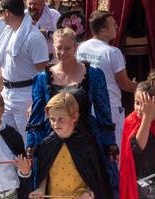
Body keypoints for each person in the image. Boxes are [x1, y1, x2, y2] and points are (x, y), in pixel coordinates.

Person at [26, 28, 117, 173]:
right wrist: (31, 143)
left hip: (86, 139)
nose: (63, 53)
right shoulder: (42, 78)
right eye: (59, 48)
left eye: (67, 48)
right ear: (53, 48)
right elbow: (36, 117)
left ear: (75, 47)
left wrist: (110, 142)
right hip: (54, 137)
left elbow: (103, 112)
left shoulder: (93, 74)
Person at [76, 10, 136, 152]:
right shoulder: (112, 52)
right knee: (114, 151)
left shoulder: (81, 47)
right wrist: (140, 86)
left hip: (88, 107)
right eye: (113, 24)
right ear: (103, 30)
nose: (117, 27)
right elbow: (125, 84)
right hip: (110, 109)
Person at [0, 0, 49, 137]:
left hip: (26, 97)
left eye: (0, 13)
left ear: (7, 13)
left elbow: (43, 74)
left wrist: (37, 102)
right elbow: (4, 66)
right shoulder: (9, 33)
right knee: (6, 141)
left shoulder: (34, 37)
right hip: (6, 96)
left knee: (28, 142)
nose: (0, 17)